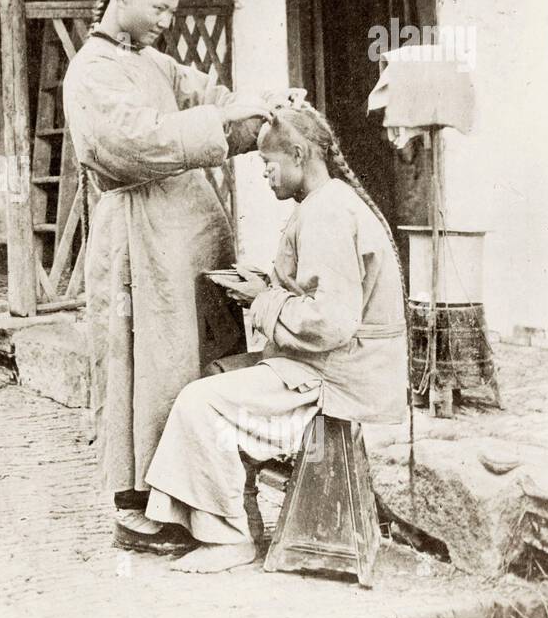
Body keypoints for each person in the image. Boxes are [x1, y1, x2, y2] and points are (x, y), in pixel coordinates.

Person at [61, 0, 271, 554]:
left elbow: (204, 92)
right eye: (157, 9)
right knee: (143, 367)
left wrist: (249, 108)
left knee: (193, 361)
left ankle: (196, 496)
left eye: (171, 16)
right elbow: (134, 145)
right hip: (139, 240)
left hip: (187, 242)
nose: (164, 23)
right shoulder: (92, 70)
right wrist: (222, 130)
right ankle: (137, 507)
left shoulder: (152, 62)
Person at [143, 103, 408, 572]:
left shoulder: (327, 213)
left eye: (269, 163)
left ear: (300, 154)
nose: (264, 174)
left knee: (198, 402)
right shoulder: (327, 203)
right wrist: (265, 285)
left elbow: (331, 322)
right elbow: (316, 292)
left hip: (338, 379)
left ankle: (230, 539)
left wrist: (263, 301)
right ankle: (238, 517)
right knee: (217, 375)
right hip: (329, 366)